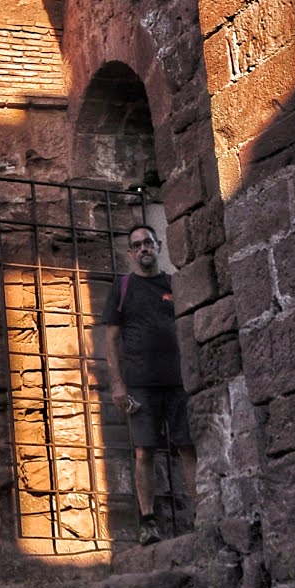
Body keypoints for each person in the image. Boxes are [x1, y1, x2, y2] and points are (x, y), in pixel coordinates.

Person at [100, 224, 197, 546]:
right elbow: (111, 339)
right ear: (130, 252)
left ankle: (203, 513)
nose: (144, 249)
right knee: (145, 451)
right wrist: (117, 385)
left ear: (159, 246)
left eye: (148, 243)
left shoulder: (173, 284)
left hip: (178, 382)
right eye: (137, 245)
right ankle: (148, 521)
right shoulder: (124, 287)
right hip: (140, 384)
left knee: (187, 447)